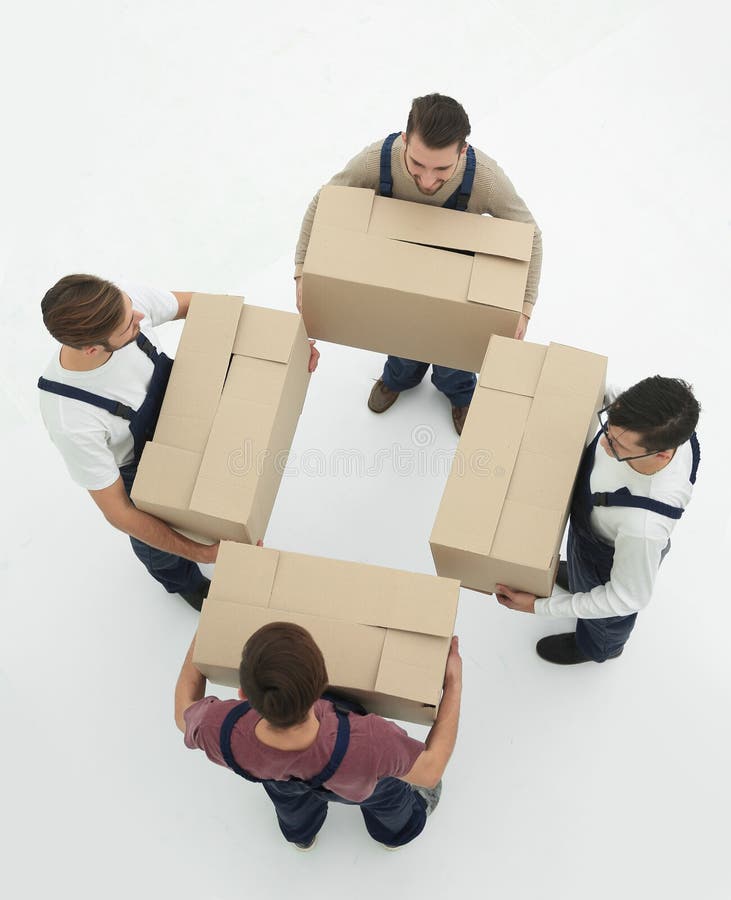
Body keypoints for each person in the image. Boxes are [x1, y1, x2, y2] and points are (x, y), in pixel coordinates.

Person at [38, 275, 319, 610]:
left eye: (131, 309)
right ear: (92, 349)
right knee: (159, 551)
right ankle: (185, 583)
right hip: (142, 471)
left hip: (189, 410)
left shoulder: (122, 305)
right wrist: (203, 553)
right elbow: (120, 513)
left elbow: (210, 310)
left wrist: (286, 347)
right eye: (129, 325)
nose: (140, 318)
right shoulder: (71, 417)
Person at [294, 92, 542, 435]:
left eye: (442, 168)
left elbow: (530, 235)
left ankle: (459, 395)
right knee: (402, 342)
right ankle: (399, 379)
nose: (427, 181)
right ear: (405, 140)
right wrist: (301, 272)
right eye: (417, 165)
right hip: (400, 274)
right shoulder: (376, 160)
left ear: (463, 151)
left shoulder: (485, 178)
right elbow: (324, 201)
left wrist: (524, 308)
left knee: (455, 356)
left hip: (457, 283)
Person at [176, 621, 463, 850]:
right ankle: (394, 834)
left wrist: (205, 628)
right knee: (389, 796)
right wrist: (453, 683)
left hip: (276, 778)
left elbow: (182, 714)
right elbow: (430, 769)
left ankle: (301, 835)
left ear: (242, 693)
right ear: (324, 685)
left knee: (291, 804)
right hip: (356, 777)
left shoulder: (220, 728)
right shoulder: (371, 741)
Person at [494, 377, 700, 664]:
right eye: (608, 429)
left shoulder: (643, 529)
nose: (603, 442)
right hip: (590, 529)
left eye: (617, 446)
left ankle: (597, 648)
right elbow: (606, 392)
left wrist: (540, 607)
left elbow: (627, 598)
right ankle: (580, 579)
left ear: (662, 454)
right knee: (580, 572)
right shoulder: (658, 417)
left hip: (607, 559)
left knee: (603, 625)